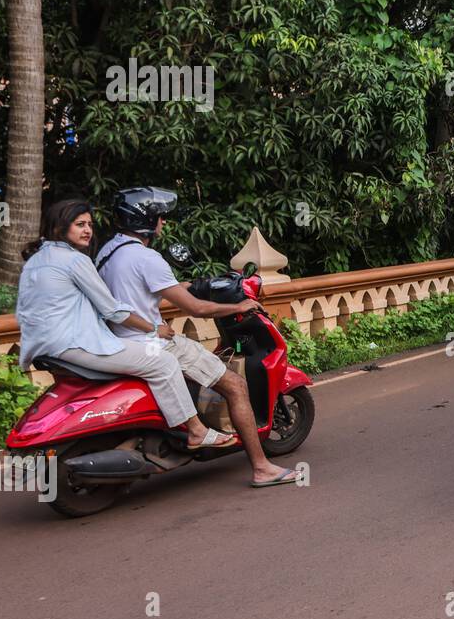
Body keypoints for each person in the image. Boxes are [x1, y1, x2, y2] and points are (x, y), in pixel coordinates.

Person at [94, 188, 296, 487]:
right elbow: (198, 309)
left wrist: (183, 285)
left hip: (121, 341)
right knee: (236, 385)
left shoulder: (106, 252)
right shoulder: (147, 258)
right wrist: (238, 306)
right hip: (153, 342)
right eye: (160, 218)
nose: (163, 223)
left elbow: (136, 294)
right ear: (147, 220)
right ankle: (262, 468)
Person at [16, 199, 238, 455]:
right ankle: (198, 432)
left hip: (42, 348)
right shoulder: (74, 261)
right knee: (162, 363)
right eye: (79, 225)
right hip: (76, 345)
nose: (87, 230)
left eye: (89, 224)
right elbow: (113, 310)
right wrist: (153, 329)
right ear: (60, 227)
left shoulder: (36, 260)